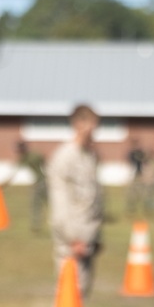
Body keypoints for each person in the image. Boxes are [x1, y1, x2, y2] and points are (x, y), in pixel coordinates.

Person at [47, 104, 104, 297]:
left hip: (88, 233)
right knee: (69, 294)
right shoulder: (65, 156)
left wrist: (96, 235)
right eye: (92, 125)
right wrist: (71, 238)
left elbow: (93, 199)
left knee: (83, 292)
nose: (95, 131)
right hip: (72, 238)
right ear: (79, 124)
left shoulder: (89, 156)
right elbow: (60, 202)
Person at [4, 141, 48, 233]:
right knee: (49, 202)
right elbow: (44, 160)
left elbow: (14, 173)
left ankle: (36, 225)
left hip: (39, 182)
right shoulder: (35, 154)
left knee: (35, 204)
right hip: (45, 181)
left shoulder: (26, 158)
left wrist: (5, 184)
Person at [124, 139, 149, 219]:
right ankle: (131, 206)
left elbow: (145, 162)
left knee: (143, 190)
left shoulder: (141, 153)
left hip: (140, 173)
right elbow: (128, 161)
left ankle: (145, 206)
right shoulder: (132, 153)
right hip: (133, 173)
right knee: (132, 191)